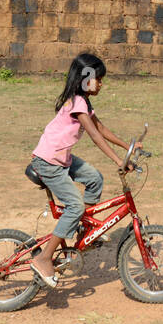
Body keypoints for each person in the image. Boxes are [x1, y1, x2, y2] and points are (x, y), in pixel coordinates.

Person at [26, 52, 140, 287]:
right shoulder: (77, 102)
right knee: (75, 205)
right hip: (48, 162)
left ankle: (82, 233)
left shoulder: (84, 101)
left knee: (94, 178)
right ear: (86, 78)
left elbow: (101, 126)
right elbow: (95, 135)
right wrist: (118, 160)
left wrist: (126, 146)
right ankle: (44, 258)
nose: (101, 83)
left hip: (61, 159)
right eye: (98, 79)